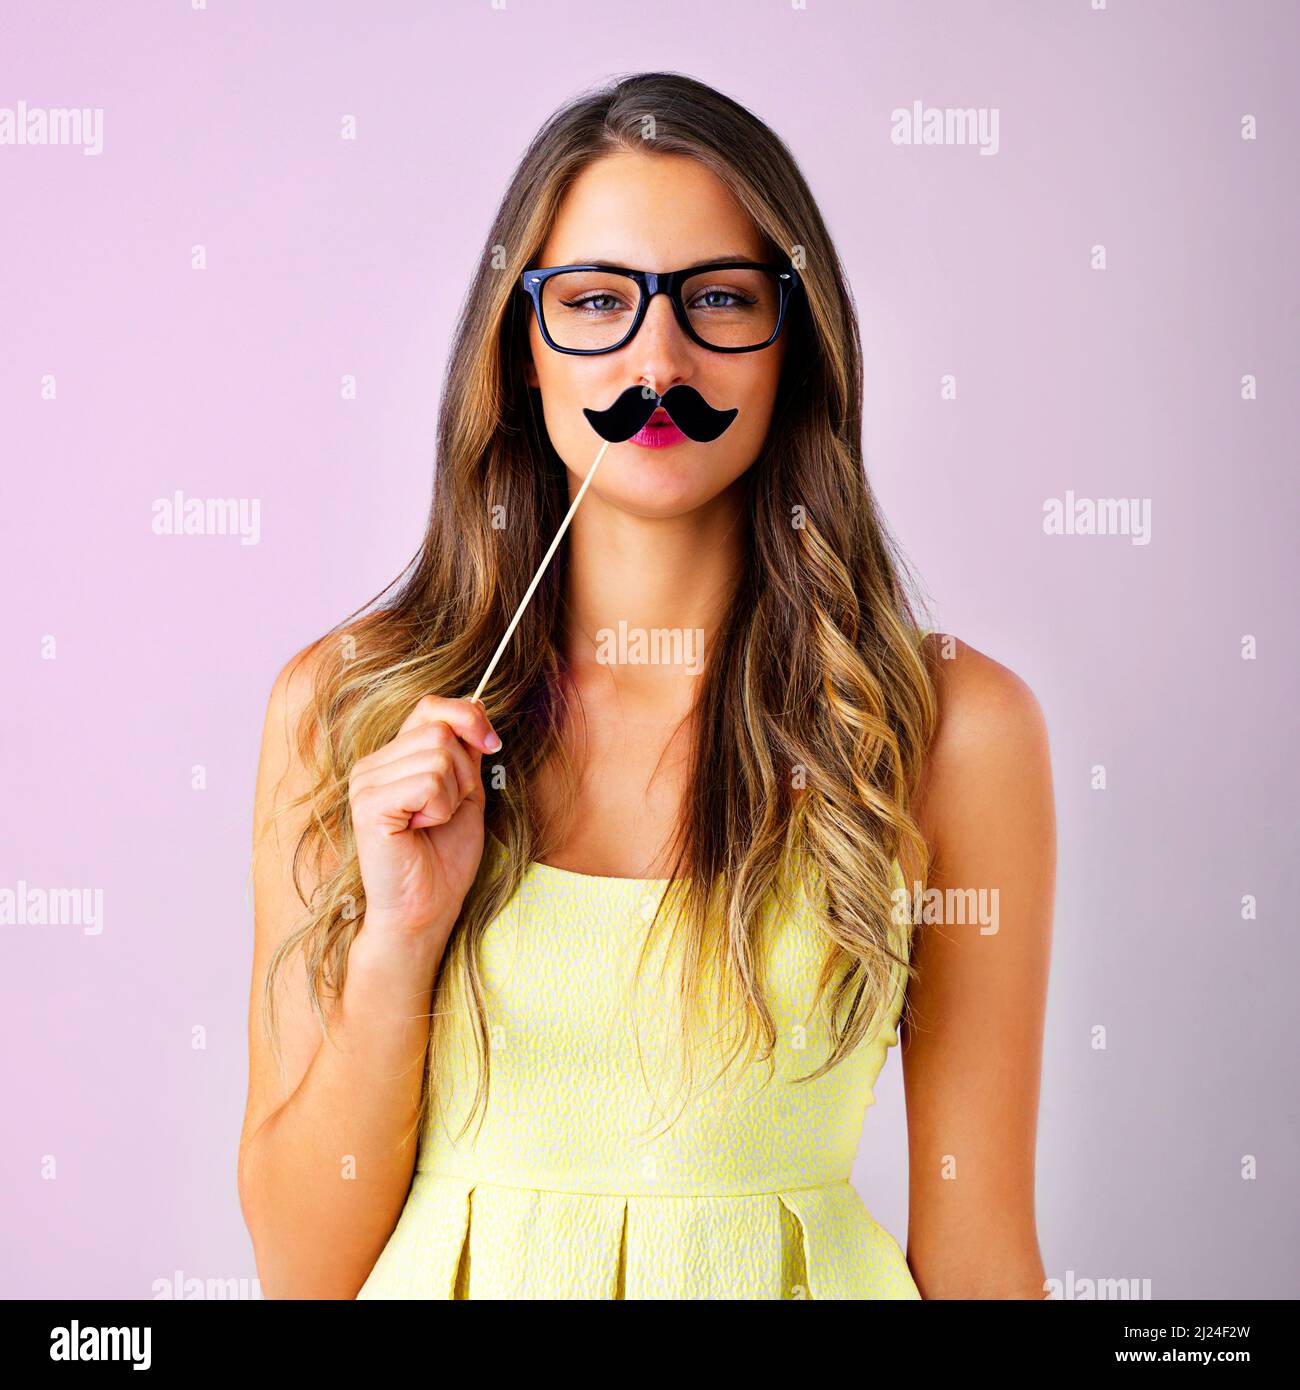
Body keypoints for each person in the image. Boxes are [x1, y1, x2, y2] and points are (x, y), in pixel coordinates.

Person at [237, 72, 1055, 1300]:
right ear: (520, 348)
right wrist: (403, 935)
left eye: (718, 298)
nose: (655, 356)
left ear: (797, 340)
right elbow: (301, 1275)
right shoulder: (351, 706)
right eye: (596, 300)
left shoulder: (950, 731)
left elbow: (981, 1254)